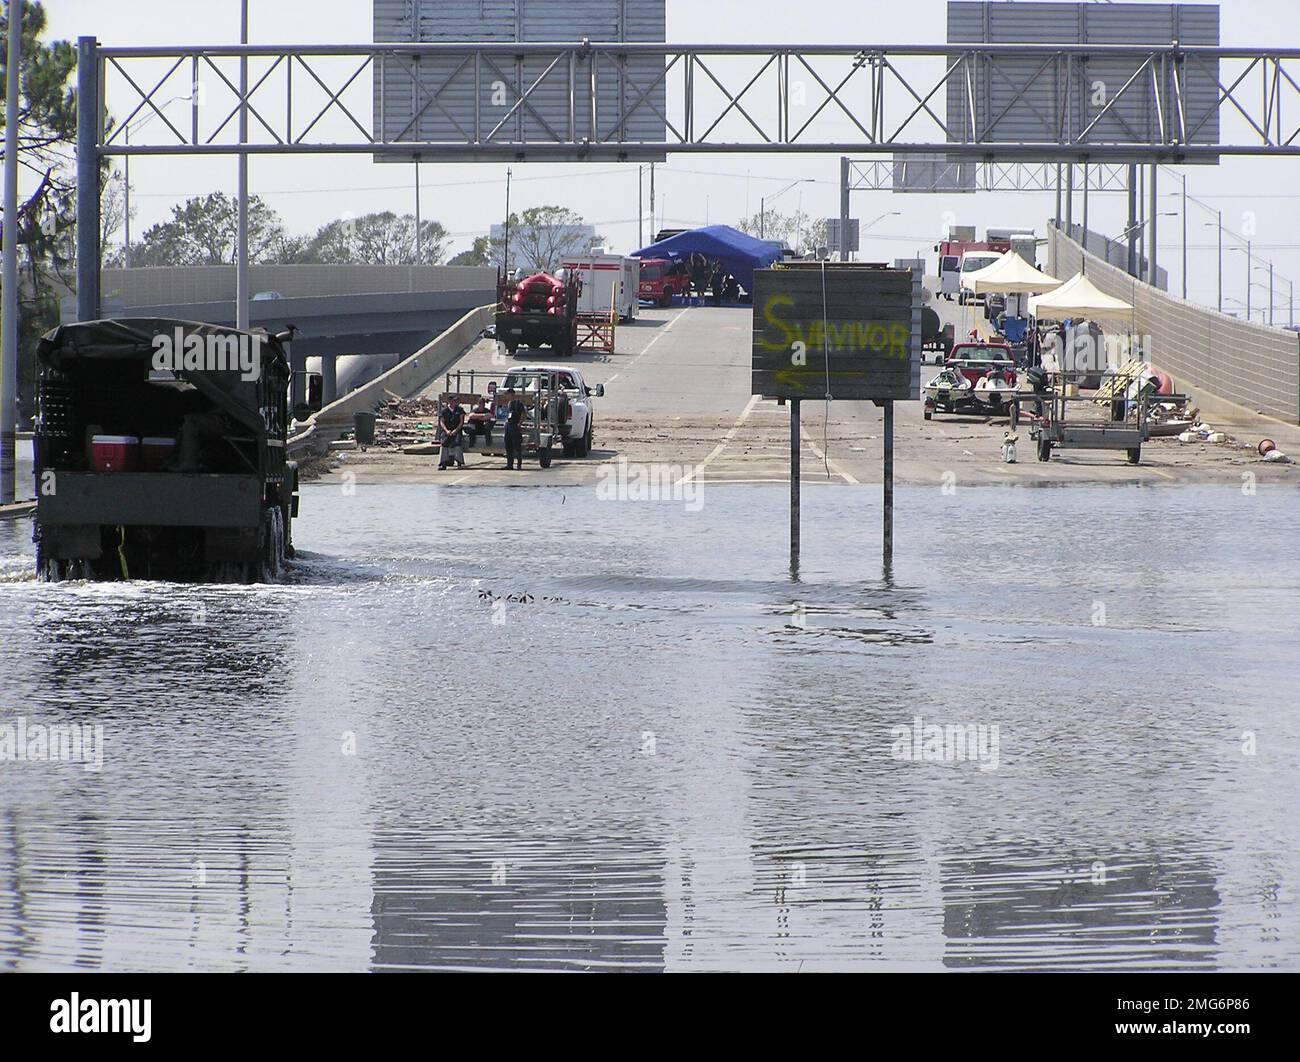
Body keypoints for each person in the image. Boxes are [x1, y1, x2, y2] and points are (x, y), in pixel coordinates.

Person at [438, 395, 466, 470]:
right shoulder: (444, 411)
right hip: (447, 430)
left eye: (456, 401)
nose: (455, 402)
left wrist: (456, 430)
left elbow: (461, 422)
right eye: (454, 401)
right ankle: (442, 463)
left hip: (456, 430)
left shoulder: (459, 410)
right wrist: (447, 431)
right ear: (450, 401)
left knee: (457, 443)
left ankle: (460, 463)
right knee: (444, 443)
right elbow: (442, 422)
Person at [502, 387, 527, 470]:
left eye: (507, 394)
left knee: (517, 446)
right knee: (508, 446)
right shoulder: (509, 403)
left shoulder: (518, 403)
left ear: (511, 394)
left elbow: (523, 414)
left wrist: (519, 424)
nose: (506, 396)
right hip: (509, 426)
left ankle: (519, 465)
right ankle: (510, 465)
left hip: (515, 426)